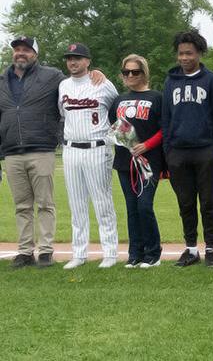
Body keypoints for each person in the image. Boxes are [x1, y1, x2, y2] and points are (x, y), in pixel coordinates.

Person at [0, 36, 106, 269]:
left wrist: (96, 72)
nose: (21, 53)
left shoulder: (51, 76)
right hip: (11, 152)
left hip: (42, 149)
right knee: (21, 205)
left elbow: (77, 80)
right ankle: (25, 251)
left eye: (26, 50)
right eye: (17, 49)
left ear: (35, 54)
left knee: (45, 203)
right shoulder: (2, 80)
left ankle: (46, 251)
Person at [161, 30, 213, 268]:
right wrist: (168, 149)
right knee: (185, 203)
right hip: (178, 151)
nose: (184, 58)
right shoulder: (170, 82)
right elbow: (166, 119)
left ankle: (210, 248)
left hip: (204, 150)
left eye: (189, 53)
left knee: (208, 202)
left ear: (198, 53)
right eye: (181, 53)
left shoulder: (211, 80)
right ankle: (190, 249)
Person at [59, 43, 119, 269]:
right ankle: (79, 253)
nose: (72, 62)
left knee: (103, 203)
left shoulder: (103, 83)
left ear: (87, 61)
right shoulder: (63, 86)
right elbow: (61, 113)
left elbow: (118, 109)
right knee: (77, 205)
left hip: (98, 148)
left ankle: (110, 252)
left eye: (77, 58)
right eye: (69, 58)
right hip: (71, 149)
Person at [109, 54, 165, 269]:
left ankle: (153, 253)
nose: (130, 75)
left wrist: (147, 145)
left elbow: (164, 128)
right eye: (126, 72)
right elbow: (114, 126)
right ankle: (135, 254)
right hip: (125, 161)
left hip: (148, 161)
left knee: (144, 206)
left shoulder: (156, 97)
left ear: (144, 73)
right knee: (131, 208)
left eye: (135, 71)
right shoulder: (118, 100)